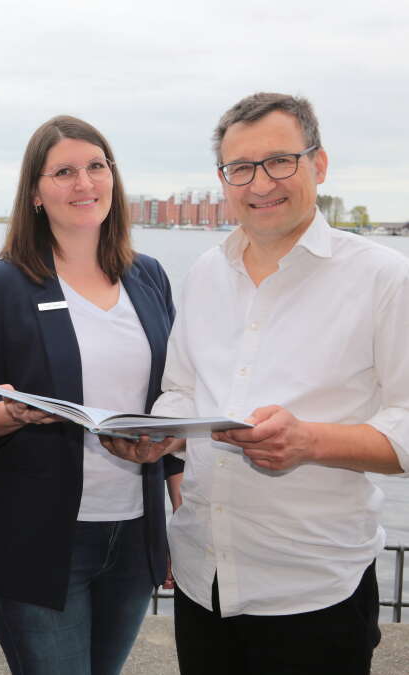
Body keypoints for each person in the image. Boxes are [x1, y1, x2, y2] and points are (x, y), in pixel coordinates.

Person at [102, 92, 409, 675]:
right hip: (202, 581)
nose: (260, 182)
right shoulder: (205, 273)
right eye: (240, 168)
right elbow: (182, 390)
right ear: (224, 180)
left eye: (279, 161)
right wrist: (162, 435)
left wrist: (310, 442)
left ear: (318, 165)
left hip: (315, 591)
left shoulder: (385, 279)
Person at [0, 115, 183, 675]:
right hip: (35, 540)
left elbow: (173, 398)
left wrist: (182, 519)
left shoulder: (148, 276)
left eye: (96, 167)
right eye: (64, 172)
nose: (84, 184)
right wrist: (11, 412)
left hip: (133, 537)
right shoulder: (3, 283)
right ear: (35, 191)